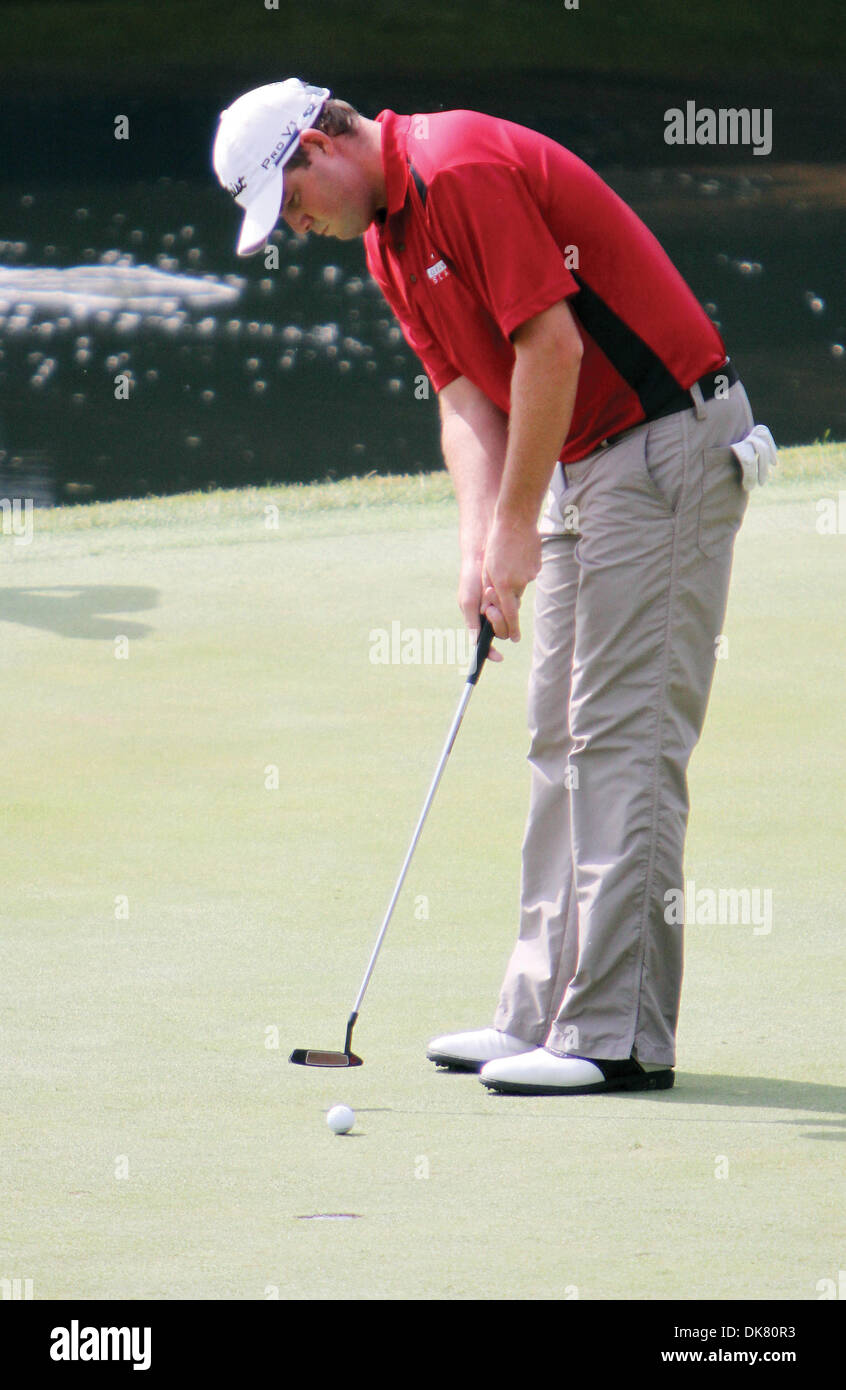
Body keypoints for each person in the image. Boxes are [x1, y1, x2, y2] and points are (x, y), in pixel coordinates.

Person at [213, 80, 776, 1096]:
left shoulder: (459, 167)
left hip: (664, 444)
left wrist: (519, 524)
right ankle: (538, 1011)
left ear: (319, 146)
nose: (298, 226)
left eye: (291, 204)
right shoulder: (388, 235)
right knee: (557, 733)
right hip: (582, 454)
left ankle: (618, 1036)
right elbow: (468, 399)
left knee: (621, 737)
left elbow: (549, 347)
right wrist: (481, 548)